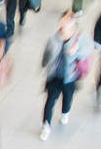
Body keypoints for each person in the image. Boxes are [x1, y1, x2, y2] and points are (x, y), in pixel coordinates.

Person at [39, 11, 91, 141]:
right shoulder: (53, 38)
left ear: (74, 24)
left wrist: (74, 52)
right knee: (50, 100)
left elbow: (86, 53)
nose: (64, 23)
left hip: (70, 76)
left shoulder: (80, 39)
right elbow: (46, 53)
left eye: (68, 20)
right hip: (54, 75)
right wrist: (45, 64)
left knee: (67, 98)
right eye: (64, 20)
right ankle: (46, 126)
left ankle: (65, 112)